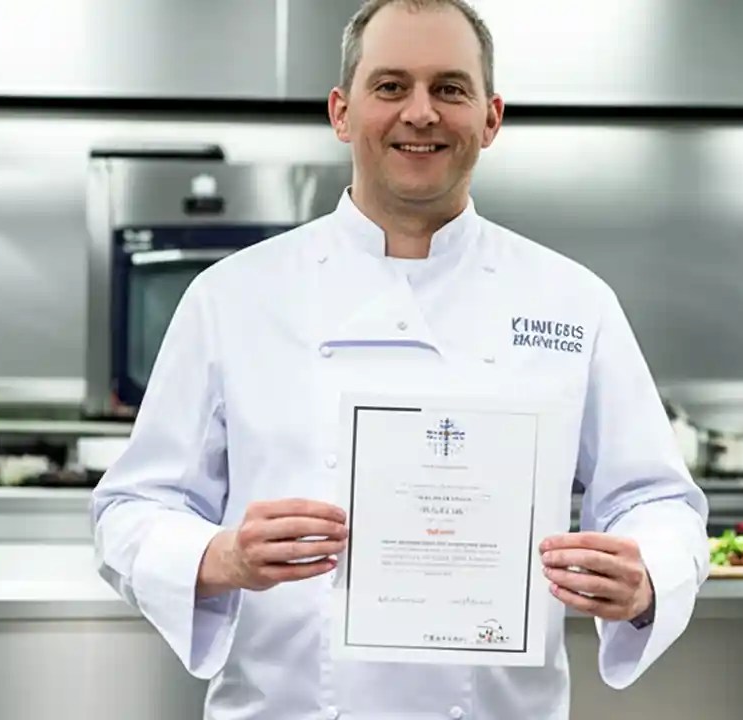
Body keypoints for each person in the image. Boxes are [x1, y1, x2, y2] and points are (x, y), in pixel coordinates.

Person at [90, 0, 710, 717]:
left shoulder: (574, 302)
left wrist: (645, 576)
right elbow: (131, 509)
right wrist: (220, 556)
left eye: (450, 88)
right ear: (342, 112)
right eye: (391, 86)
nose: (421, 112)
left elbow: (658, 501)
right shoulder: (233, 297)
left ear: (491, 117)